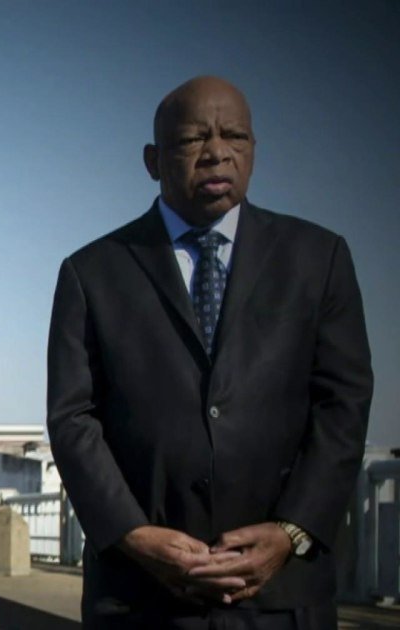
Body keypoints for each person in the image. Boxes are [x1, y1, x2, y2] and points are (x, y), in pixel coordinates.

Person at [46, 76, 373, 629]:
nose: (217, 152)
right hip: (140, 596)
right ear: (153, 160)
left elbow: (343, 404)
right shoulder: (92, 272)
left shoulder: (319, 259)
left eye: (235, 137)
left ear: (254, 150)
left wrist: (291, 532)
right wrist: (132, 534)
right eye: (193, 139)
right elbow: (73, 418)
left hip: (283, 599)